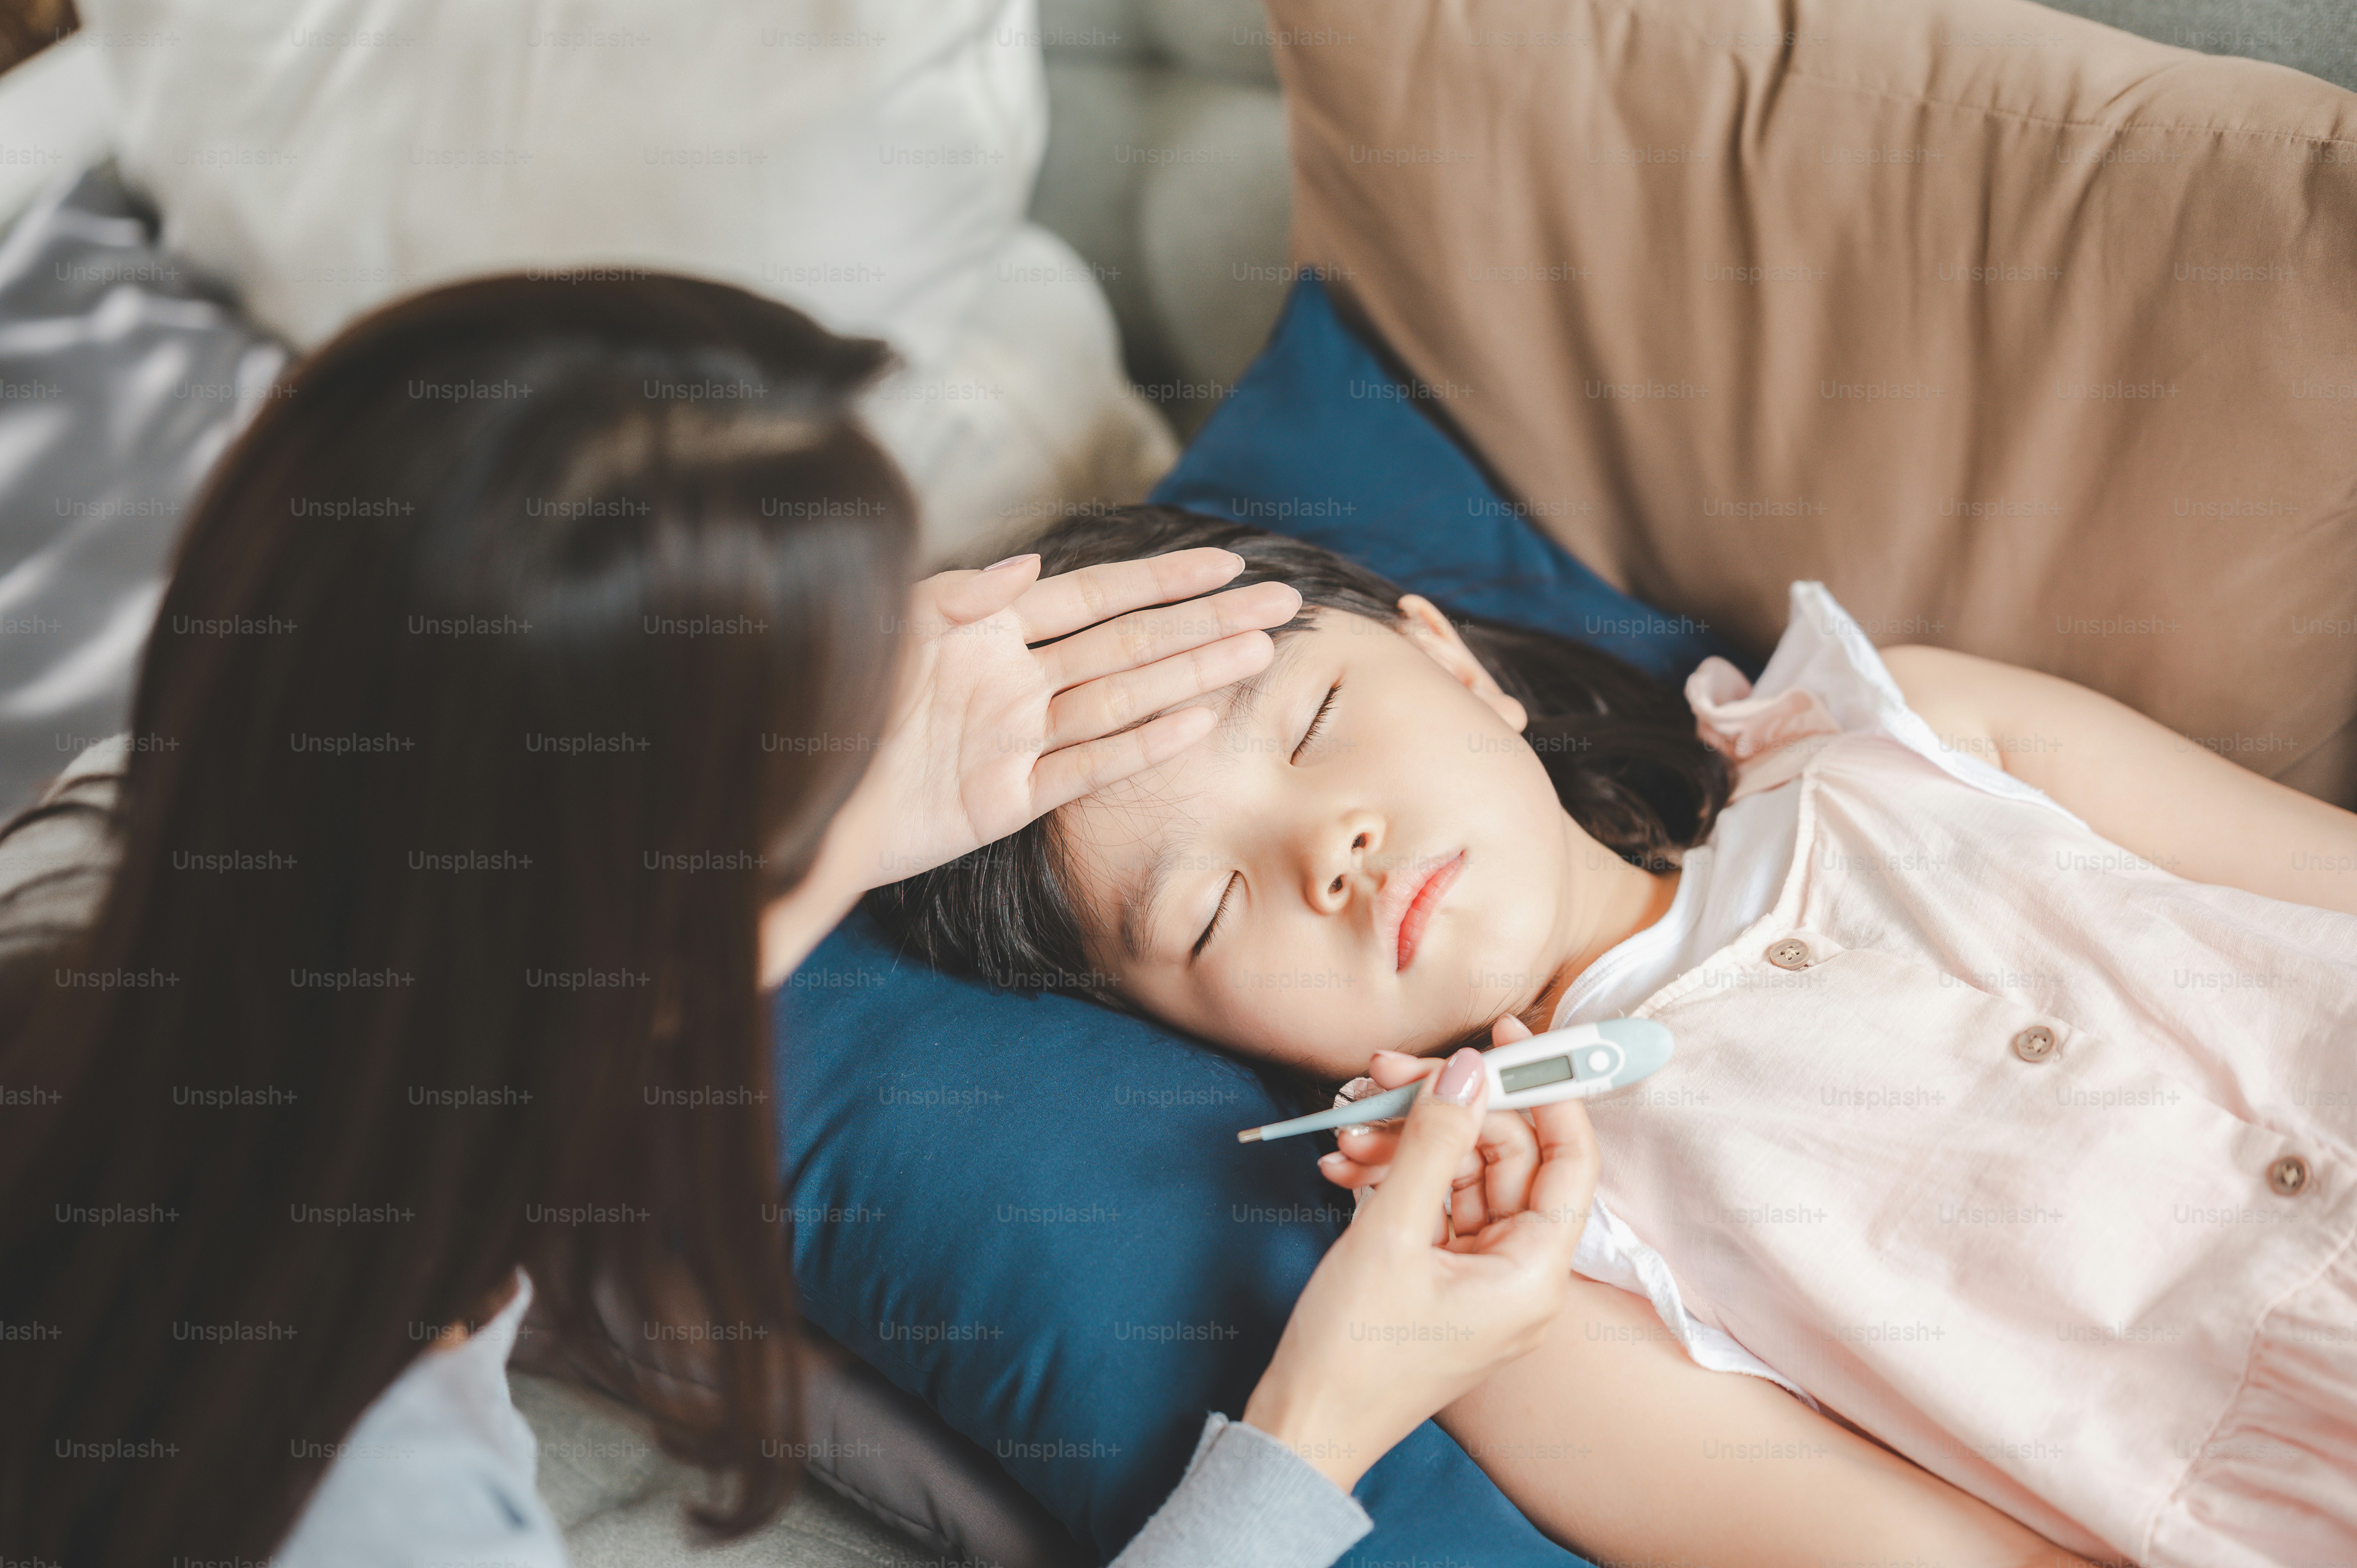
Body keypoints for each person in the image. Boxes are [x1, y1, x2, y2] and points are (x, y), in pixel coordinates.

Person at [0, 276, 1597, 1568]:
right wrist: (1319, 1423)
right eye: (831, 750)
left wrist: (837, 806)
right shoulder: (353, 1501)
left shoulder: (114, 901)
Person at [869, 505, 2357, 1568]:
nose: (1333, 849)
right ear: (1182, 1030)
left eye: (1314, 720)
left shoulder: (1919, 738)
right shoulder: (1526, 1280)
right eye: (1205, 912)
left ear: (1456, 664)